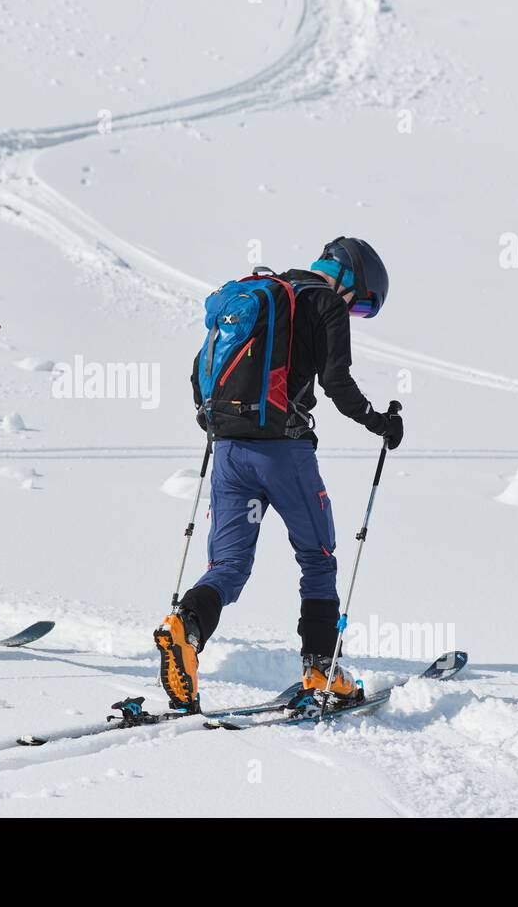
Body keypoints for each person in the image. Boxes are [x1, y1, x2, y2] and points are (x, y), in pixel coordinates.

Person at [155, 237, 401, 712]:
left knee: (227, 567)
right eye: (362, 303)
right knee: (317, 556)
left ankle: (183, 629)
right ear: (351, 280)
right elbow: (336, 383)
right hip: (284, 454)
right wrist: (379, 422)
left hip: (228, 450)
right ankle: (321, 670)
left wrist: (219, 425)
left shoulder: (258, 296)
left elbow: (196, 374)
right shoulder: (324, 301)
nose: (355, 311)